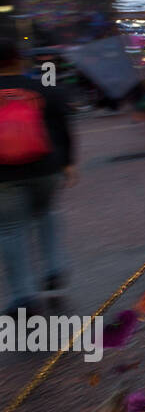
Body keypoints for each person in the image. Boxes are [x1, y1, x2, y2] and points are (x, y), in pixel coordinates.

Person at [0, 36, 76, 316]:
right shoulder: (43, 87)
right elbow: (62, 125)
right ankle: (54, 270)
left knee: (10, 230)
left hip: (3, 175)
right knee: (46, 213)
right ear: (19, 59)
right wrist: (68, 163)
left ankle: (23, 296)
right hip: (45, 167)